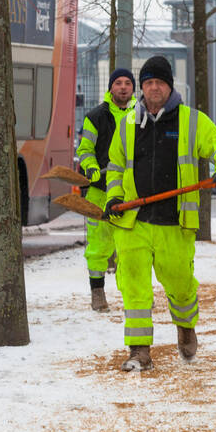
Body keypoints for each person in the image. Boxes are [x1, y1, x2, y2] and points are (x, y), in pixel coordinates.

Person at [103, 54, 216, 371]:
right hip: (133, 222)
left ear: (169, 86)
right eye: (148, 83)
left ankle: (186, 327)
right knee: (133, 285)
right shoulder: (128, 124)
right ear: (141, 88)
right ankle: (139, 350)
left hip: (174, 222)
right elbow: (116, 168)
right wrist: (114, 196)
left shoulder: (191, 120)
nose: (153, 88)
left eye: (159, 82)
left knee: (179, 282)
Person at [76, 67, 134, 311]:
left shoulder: (141, 116)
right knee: (98, 245)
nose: (123, 87)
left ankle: (131, 296)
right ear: (111, 87)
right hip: (99, 190)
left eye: (127, 83)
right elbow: (85, 149)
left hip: (131, 191)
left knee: (129, 246)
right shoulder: (95, 117)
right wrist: (90, 167)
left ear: (133, 88)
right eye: (118, 82)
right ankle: (97, 294)